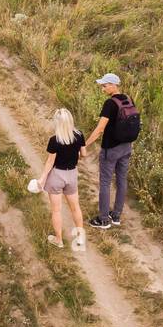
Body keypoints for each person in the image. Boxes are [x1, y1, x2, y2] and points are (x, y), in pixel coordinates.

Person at [84, 73, 139, 229]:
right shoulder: (129, 99)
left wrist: (85, 144)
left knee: (105, 183)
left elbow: (100, 129)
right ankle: (116, 216)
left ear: (114, 85)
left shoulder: (110, 104)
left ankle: (103, 219)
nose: (102, 88)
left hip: (111, 149)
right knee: (122, 181)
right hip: (126, 147)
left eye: (105, 85)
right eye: (102, 85)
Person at [37, 108, 87, 249]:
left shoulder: (54, 140)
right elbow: (84, 154)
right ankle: (80, 237)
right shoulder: (79, 135)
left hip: (57, 175)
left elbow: (50, 162)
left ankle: (58, 240)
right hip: (72, 175)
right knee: (75, 208)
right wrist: (77, 156)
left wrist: (42, 179)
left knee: (56, 210)